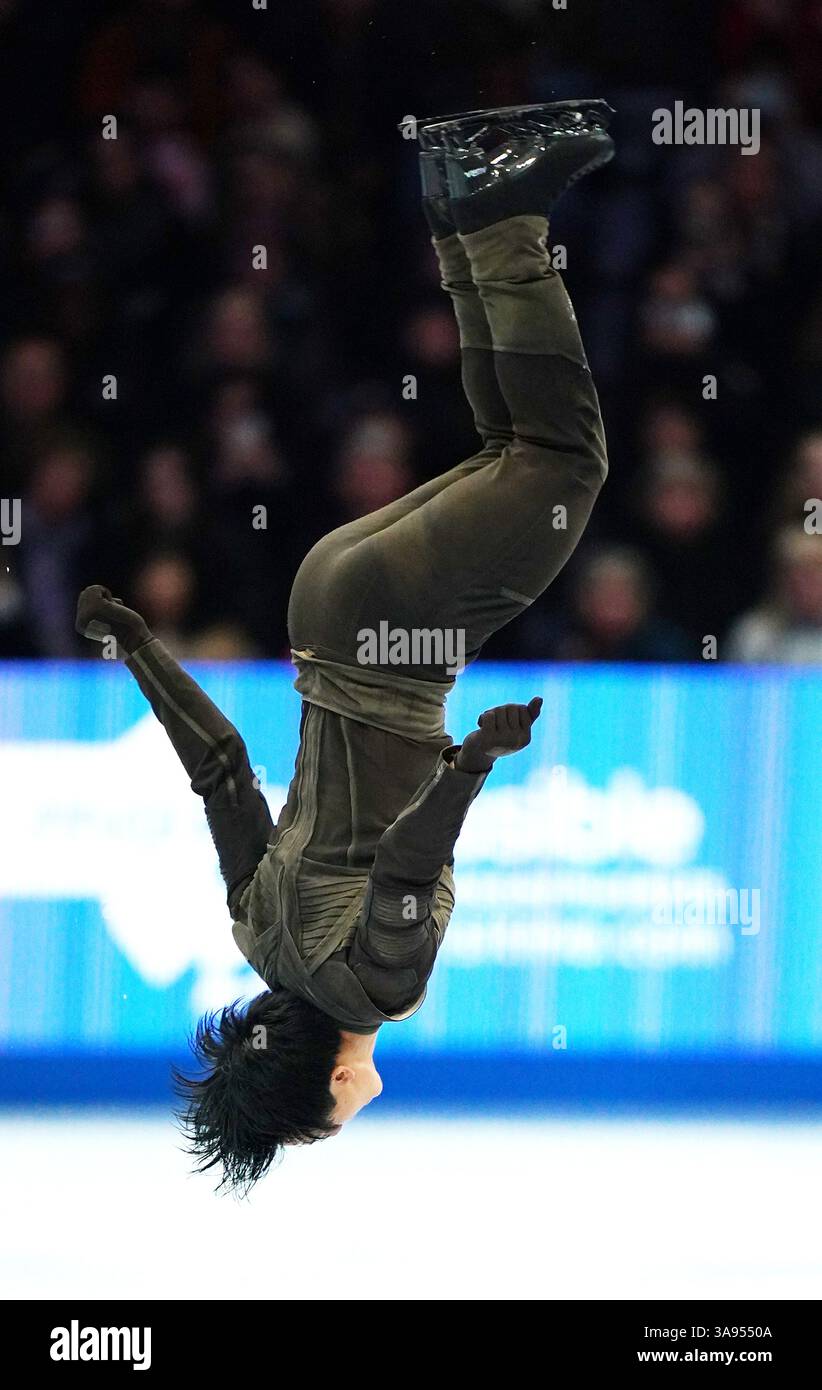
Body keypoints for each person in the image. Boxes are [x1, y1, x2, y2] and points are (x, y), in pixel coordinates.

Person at [75, 99, 613, 1192]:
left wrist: (471, 765)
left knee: (565, 463)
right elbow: (219, 768)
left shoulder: (377, 992)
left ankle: (503, 208)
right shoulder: (259, 938)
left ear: (323, 1091)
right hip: (325, 607)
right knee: (518, 445)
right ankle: (461, 190)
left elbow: (411, 861)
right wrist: (137, 647)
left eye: (324, 1126)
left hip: (397, 641)